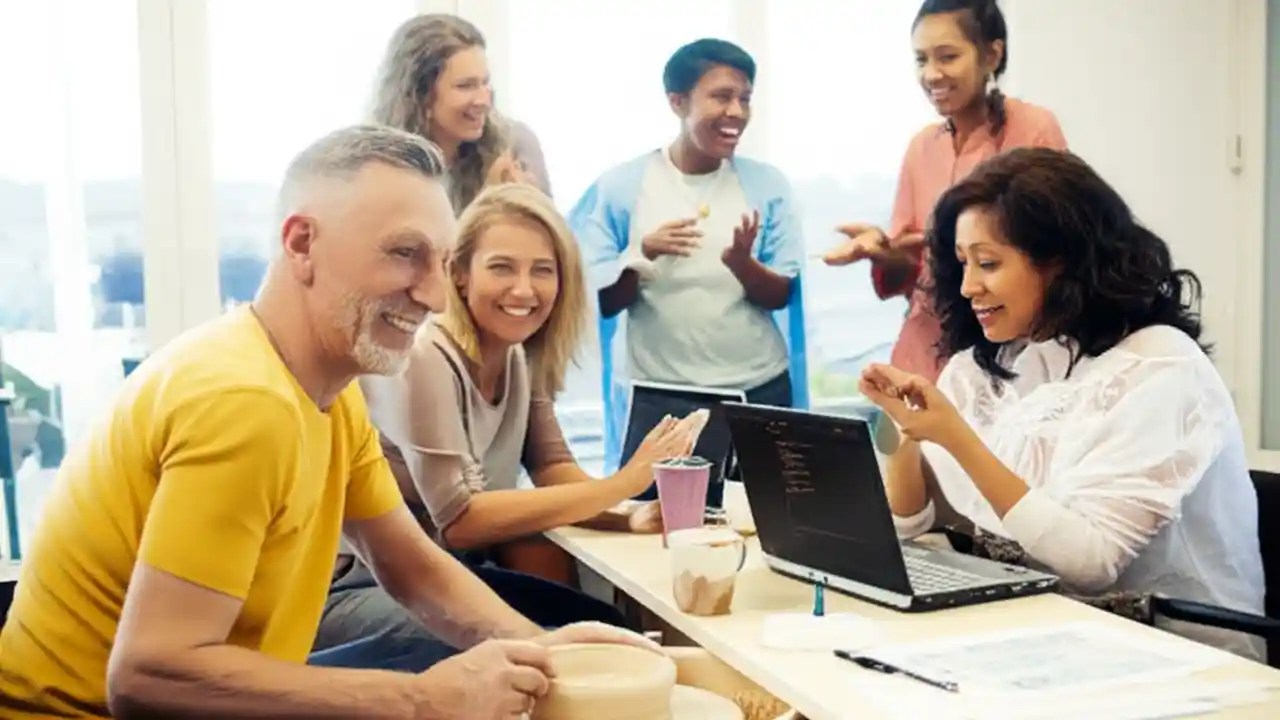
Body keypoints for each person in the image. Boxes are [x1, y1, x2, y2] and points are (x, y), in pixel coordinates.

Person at [0, 125, 654, 720]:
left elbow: (411, 565)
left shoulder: (326, 388)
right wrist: (425, 700)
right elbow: (146, 677)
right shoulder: (245, 402)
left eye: (439, 260)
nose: (431, 294)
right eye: (404, 254)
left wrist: (537, 648)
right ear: (301, 243)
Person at [859, 147, 1266, 660]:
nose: (967, 287)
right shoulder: (999, 363)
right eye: (963, 264)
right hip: (1047, 636)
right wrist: (901, 432)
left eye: (988, 263)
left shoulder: (1161, 369)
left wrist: (955, 437)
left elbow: (1089, 562)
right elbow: (912, 529)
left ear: (1063, 261)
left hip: (1177, 656)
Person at [317, 183, 698, 662]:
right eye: (502, 267)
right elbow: (461, 520)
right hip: (359, 591)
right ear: (459, 275)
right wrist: (623, 484)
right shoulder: (427, 355)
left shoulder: (519, 355)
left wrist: (628, 513)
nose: (524, 289)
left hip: (450, 575)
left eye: (543, 270)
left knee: (609, 628)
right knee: (569, 653)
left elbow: (553, 464)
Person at [570, 38, 808, 472]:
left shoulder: (767, 186)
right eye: (721, 96)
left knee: (768, 525)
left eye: (745, 98)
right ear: (678, 102)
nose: (736, 111)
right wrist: (640, 256)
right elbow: (597, 302)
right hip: (660, 397)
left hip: (759, 389)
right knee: (652, 527)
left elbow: (781, 294)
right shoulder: (623, 187)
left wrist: (742, 264)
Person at [824, 0, 1067, 382]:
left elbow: (1051, 249)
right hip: (925, 349)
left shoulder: (1033, 128)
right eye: (921, 60)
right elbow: (915, 274)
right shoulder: (922, 147)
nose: (932, 74)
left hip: (1010, 354)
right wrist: (885, 253)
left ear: (991, 54)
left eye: (948, 57)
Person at [371, 13, 552, 212]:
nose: (484, 101)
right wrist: (489, 205)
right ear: (420, 97)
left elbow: (555, 239)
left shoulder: (514, 145)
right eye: (466, 86)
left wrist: (529, 207)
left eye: (485, 83)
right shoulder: (381, 174)